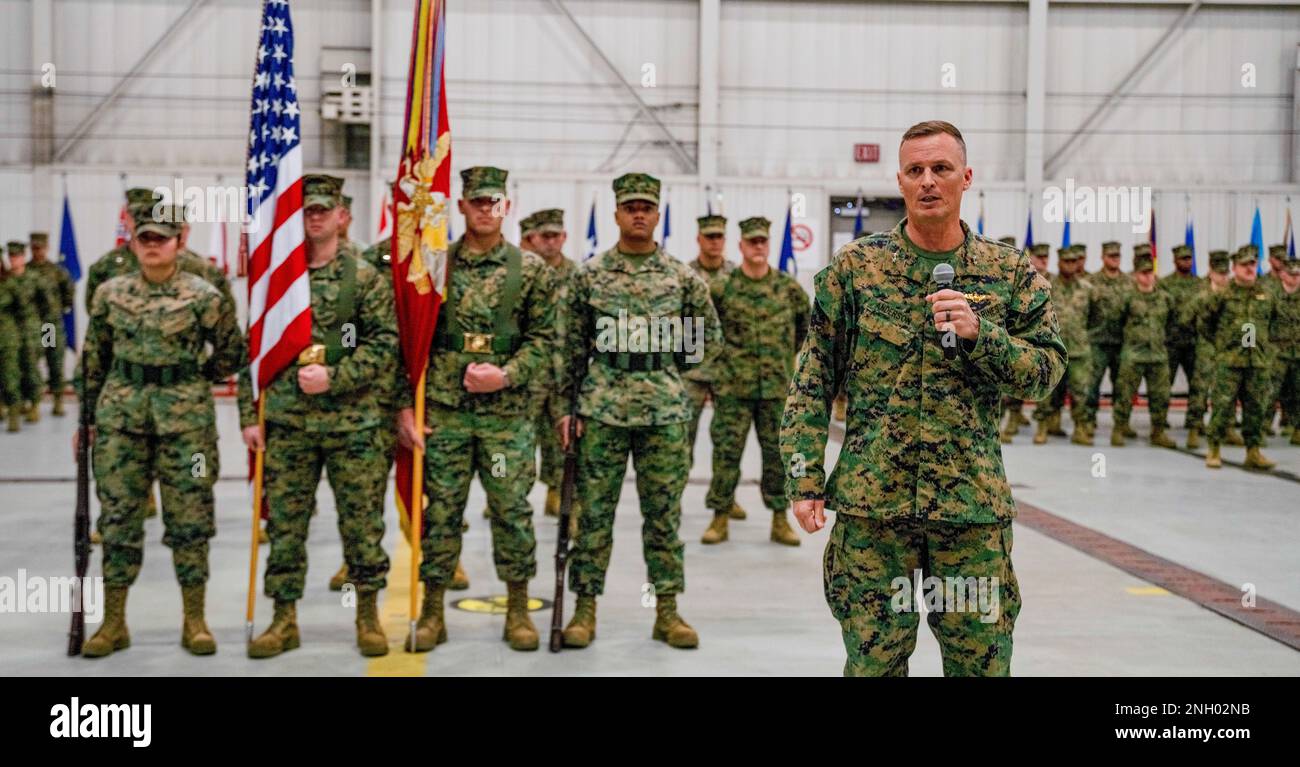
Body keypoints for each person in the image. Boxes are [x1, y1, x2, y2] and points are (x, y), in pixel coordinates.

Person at [781, 120, 1065, 676]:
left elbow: (1047, 372)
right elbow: (812, 381)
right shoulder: (855, 273)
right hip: (873, 511)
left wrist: (985, 337)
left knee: (980, 664)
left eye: (941, 169)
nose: (928, 181)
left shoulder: (1008, 273)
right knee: (874, 664)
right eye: (915, 171)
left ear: (967, 178)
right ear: (900, 181)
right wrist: (803, 479)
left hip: (970, 510)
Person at [395, 167, 558, 653]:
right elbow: (409, 337)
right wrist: (407, 406)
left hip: (506, 418)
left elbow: (546, 341)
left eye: (494, 202)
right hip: (444, 413)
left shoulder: (530, 271)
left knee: (511, 512)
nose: (486, 209)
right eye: (477, 202)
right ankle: (432, 612)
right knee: (441, 513)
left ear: (505, 207)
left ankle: (517, 610)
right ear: (461, 207)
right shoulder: (435, 266)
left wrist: (505, 374)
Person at [556, 172, 721, 649]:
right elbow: (569, 348)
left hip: (665, 413)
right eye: (630, 206)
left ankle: (666, 610)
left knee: (663, 517)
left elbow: (708, 336)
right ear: (617, 214)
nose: (639, 214)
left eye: (647, 206)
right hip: (602, 409)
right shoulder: (589, 275)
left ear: (657, 213)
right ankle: (585, 610)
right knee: (593, 518)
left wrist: (673, 371)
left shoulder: (680, 277)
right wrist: (567, 409)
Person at [76, 204, 246, 657]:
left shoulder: (203, 296)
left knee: (191, 518)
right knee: (118, 520)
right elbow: (94, 360)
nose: (152, 245)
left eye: (161, 238)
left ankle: (195, 620)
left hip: (187, 427)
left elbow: (232, 351)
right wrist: (87, 418)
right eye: (145, 237)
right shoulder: (110, 294)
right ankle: (113, 623)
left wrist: (192, 378)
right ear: (133, 240)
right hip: (121, 423)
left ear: (179, 242)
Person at [241, 174, 398, 658]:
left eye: (323, 210)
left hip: (354, 424)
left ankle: (367, 616)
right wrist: (250, 415)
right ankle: (283, 618)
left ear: (342, 216)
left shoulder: (365, 277)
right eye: (307, 210)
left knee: (362, 524)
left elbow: (386, 345)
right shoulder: (277, 281)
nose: (315, 217)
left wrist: (338, 377)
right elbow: (249, 351)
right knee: (286, 526)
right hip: (289, 424)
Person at [700, 215, 808, 546]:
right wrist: (711, 374)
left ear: (768, 244)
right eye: (752, 242)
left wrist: (782, 361)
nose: (758, 247)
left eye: (763, 241)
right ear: (741, 246)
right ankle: (720, 516)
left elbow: (803, 330)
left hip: (775, 388)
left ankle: (779, 519)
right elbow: (704, 332)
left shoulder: (788, 289)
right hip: (732, 388)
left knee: (778, 456)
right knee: (726, 454)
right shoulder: (722, 289)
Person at [1200, 245, 1279, 470]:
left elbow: (1274, 323)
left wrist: (1266, 348)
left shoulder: (1266, 294)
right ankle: (1214, 449)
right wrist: (1221, 345)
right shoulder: (1223, 294)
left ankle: (1253, 451)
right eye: (1244, 265)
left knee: (1255, 407)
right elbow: (1205, 322)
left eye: (1252, 264)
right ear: (1234, 268)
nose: (1249, 269)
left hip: (1257, 361)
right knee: (1222, 406)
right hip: (1230, 361)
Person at [1111, 250, 1177, 447]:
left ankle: (1158, 432)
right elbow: (1116, 322)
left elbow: (1172, 323)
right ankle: (1119, 428)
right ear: (1135, 275)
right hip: (1133, 355)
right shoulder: (1127, 298)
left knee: (1161, 396)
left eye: (1150, 273)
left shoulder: (1165, 298)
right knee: (1124, 394)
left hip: (1158, 355)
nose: (1147, 277)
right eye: (1143, 273)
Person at [1033, 245, 1093, 445]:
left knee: (1081, 392)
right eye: (1066, 261)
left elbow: (1096, 318)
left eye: (1073, 262)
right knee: (1047, 391)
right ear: (1059, 263)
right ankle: (1043, 427)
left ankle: (1080, 429)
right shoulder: (1047, 286)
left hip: (1078, 350)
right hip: (1052, 349)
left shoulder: (1087, 289)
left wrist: (1083, 336)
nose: (1070, 265)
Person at [1085, 241, 1134, 441]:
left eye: (1117, 256)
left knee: (1122, 386)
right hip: (1097, 341)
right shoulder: (1091, 281)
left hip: (1121, 342)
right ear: (1103, 257)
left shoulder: (1129, 282)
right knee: (1092, 383)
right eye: (1111, 256)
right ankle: (1088, 421)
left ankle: (1121, 424)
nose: (1115, 259)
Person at [25, 232, 75, 416]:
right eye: (34, 248)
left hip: (48, 326)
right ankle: (32, 401)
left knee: (54, 361)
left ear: (46, 248)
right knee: (29, 364)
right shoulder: (25, 270)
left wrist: (60, 308)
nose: (37, 251)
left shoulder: (56, 271)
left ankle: (57, 400)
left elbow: (68, 291)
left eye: (40, 248)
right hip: (30, 325)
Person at [0, 241, 43, 430]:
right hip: (12, 335)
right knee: (11, 372)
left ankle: (33, 404)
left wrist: (46, 341)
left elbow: (49, 313)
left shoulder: (37, 280)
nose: (14, 259)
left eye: (17, 256)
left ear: (24, 256)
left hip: (33, 332)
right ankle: (11, 407)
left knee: (31, 370)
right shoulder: (7, 281)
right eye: (11, 256)